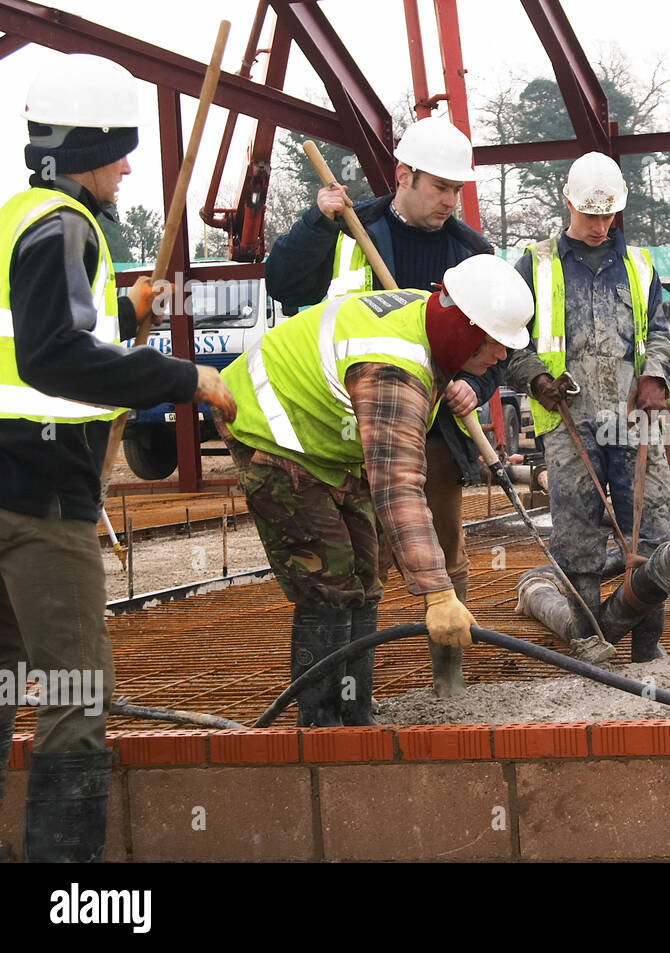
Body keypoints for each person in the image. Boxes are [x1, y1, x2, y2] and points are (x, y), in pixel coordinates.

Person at [0, 55, 236, 862]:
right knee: (75, 693)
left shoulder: (18, 219)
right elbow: (50, 356)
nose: (131, 165)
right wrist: (185, 376)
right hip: (40, 501)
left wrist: (128, 317)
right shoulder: (65, 227)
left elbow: (47, 341)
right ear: (81, 150)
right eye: (120, 149)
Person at [217, 255, 533, 726]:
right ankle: (320, 726)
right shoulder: (393, 370)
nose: (502, 357)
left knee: (365, 577)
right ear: (465, 331)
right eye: (495, 343)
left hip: (326, 440)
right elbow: (399, 486)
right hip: (270, 431)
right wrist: (438, 594)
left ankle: (355, 712)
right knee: (328, 582)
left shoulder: (424, 321)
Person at [265, 116, 498, 697]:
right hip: (343, 424)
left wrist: (480, 387)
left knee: (443, 548)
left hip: (435, 425)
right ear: (403, 175)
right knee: (352, 564)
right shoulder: (348, 228)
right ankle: (344, 695)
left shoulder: (472, 252)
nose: (450, 200)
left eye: (456, 189)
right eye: (439, 186)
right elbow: (285, 285)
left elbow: (495, 346)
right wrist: (315, 221)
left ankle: (449, 681)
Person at [507, 152, 670, 662]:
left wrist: (654, 375)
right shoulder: (533, 265)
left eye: (608, 216)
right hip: (568, 422)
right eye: (590, 215)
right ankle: (589, 642)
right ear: (567, 204)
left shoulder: (639, 265)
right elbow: (511, 339)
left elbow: (659, 334)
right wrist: (535, 377)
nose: (601, 225)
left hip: (632, 418)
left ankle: (648, 648)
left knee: (654, 527)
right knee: (578, 535)